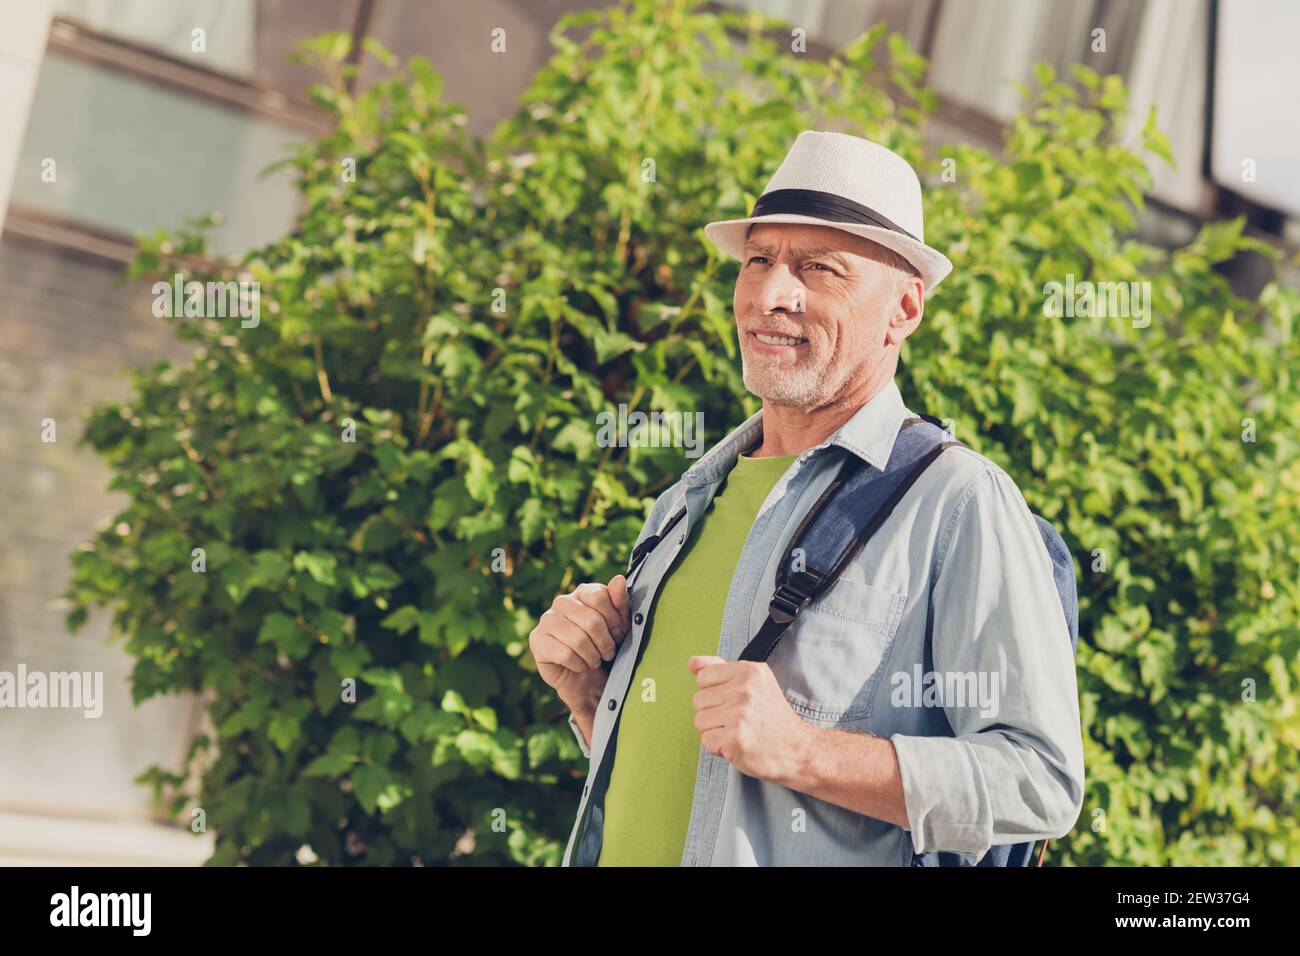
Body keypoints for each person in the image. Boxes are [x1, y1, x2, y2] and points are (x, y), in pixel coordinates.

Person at [528, 130, 1085, 866]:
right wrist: (587, 695)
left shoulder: (957, 502)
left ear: (905, 309)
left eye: (818, 269)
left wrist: (803, 751)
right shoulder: (683, 504)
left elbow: (1038, 782)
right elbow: (699, 787)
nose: (769, 294)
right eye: (758, 259)